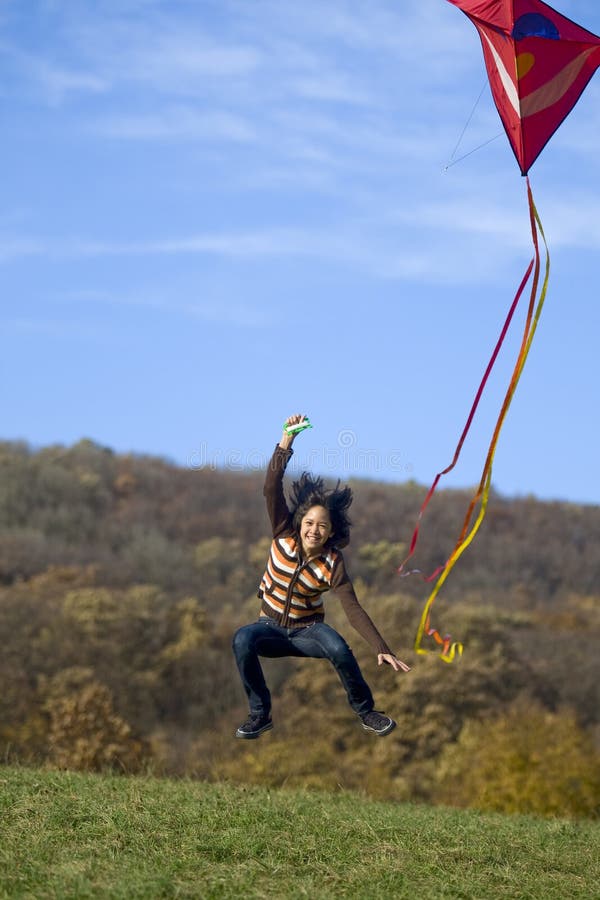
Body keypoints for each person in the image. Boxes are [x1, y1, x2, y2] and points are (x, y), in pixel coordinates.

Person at [232, 414, 411, 740]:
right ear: (300, 523)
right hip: (269, 630)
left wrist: (380, 647)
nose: (314, 530)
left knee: (340, 649)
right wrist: (286, 441)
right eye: (310, 523)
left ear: (331, 532)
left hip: (307, 632)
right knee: (242, 639)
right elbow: (271, 487)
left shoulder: (332, 562)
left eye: (323, 526)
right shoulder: (282, 534)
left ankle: (367, 712)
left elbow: (352, 608)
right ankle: (260, 715)